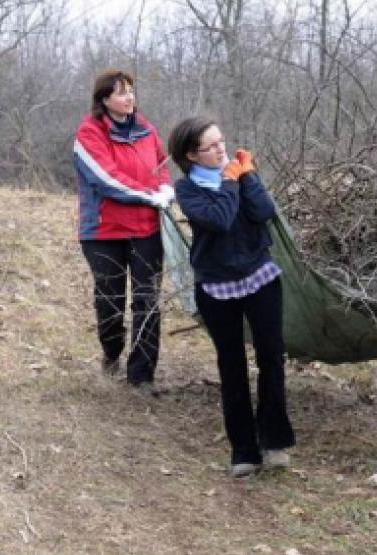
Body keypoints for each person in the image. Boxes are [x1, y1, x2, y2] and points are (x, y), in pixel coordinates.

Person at [168, 116, 295, 478]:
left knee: (272, 357)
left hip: (261, 276)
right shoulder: (188, 190)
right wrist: (230, 181)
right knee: (232, 365)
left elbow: (265, 213)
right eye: (212, 146)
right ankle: (244, 450)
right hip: (216, 286)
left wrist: (248, 176)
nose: (222, 149)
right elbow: (221, 219)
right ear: (192, 155)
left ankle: (274, 441)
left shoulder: (238, 174)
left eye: (222, 141)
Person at [74, 69, 174, 396]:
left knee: (147, 301)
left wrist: (165, 190)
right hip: (104, 232)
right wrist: (149, 195)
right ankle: (111, 353)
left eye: (131, 91)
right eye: (120, 92)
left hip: (146, 229)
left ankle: (142, 376)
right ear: (104, 99)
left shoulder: (146, 129)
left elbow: (162, 168)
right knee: (110, 301)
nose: (129, 97)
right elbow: (106, 179)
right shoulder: (89, 134)